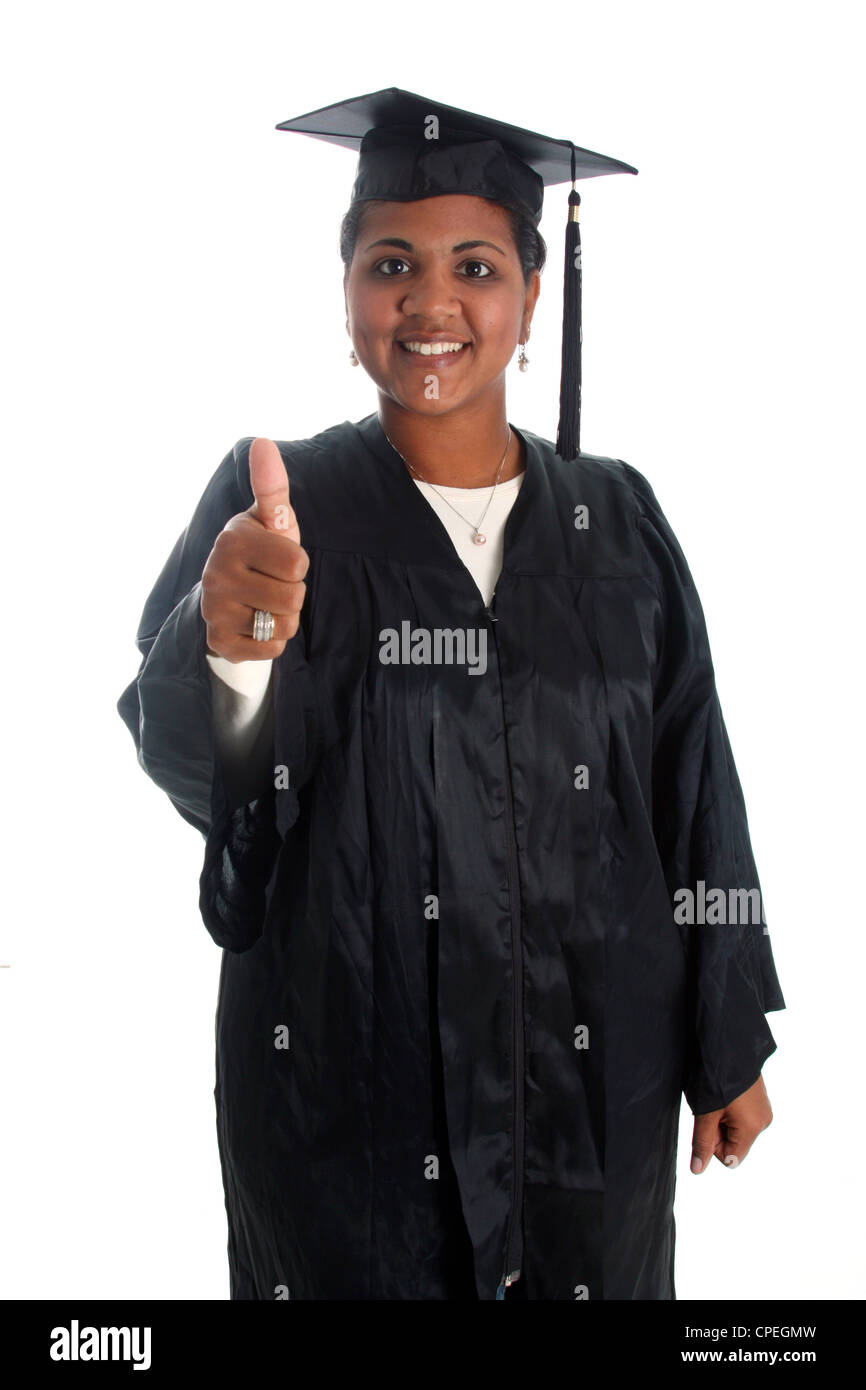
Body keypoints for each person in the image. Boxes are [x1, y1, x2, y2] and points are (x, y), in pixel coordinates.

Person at [117, 88, 785, 1301]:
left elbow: (694, 782)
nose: (430, 301)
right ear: (347, 300)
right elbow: (191, 767)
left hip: (591, 1082)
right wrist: (226, 651)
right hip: (347, 1083)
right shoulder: (279, 505)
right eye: (390, 264)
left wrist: (726, 1035)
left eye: (474, 264)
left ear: (531, 298)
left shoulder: (617, 520)